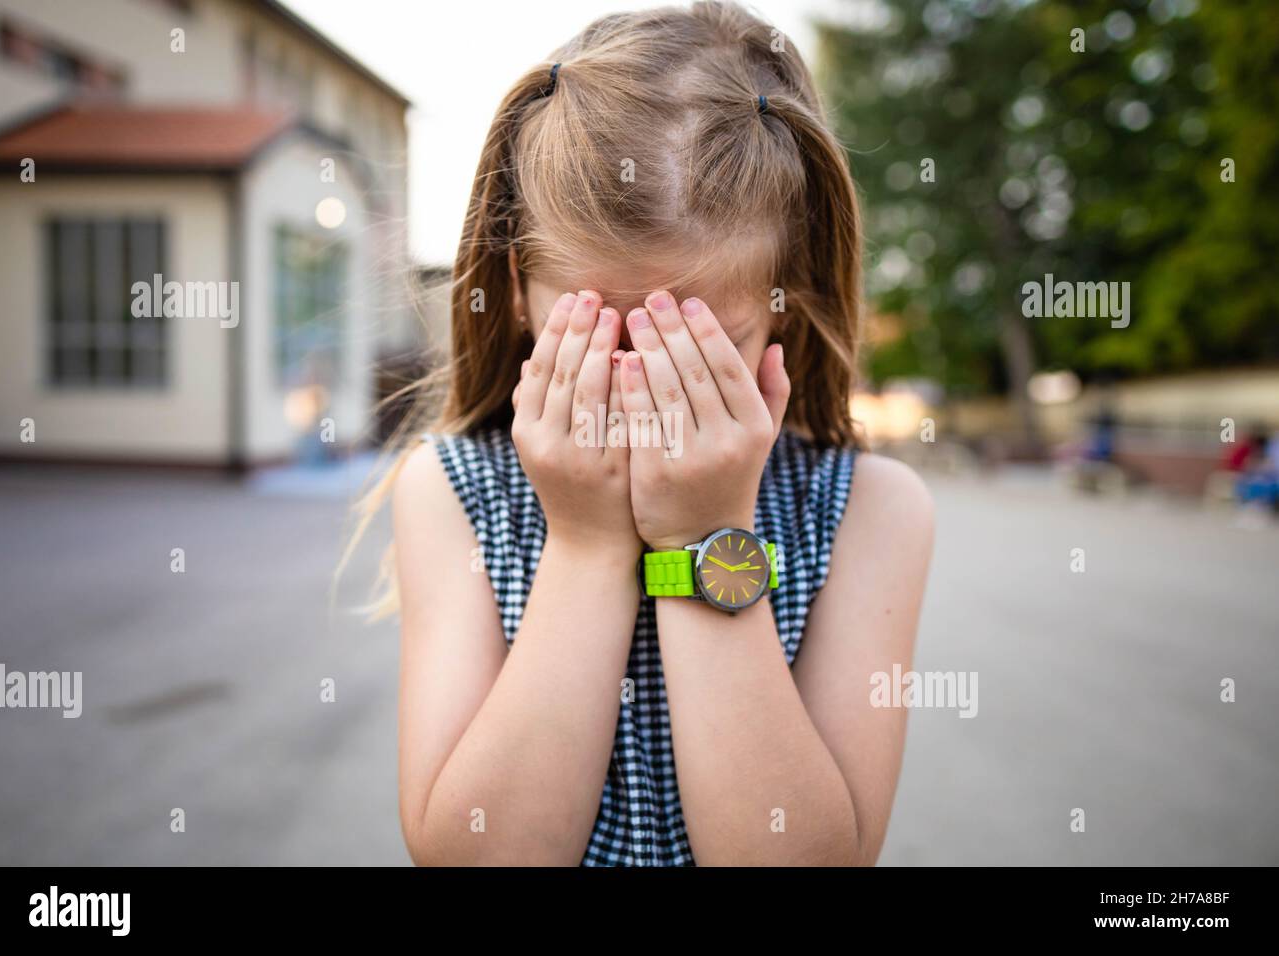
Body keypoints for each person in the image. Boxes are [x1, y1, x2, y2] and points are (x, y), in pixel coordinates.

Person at [365, 2, 934, 865]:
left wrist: (705, 539)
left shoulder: (872, 513)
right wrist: (589, 549)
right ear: (517, 291)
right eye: (602, 338)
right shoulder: (450, 490)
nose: (645, 387)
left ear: (785, 301)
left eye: (698, 347)